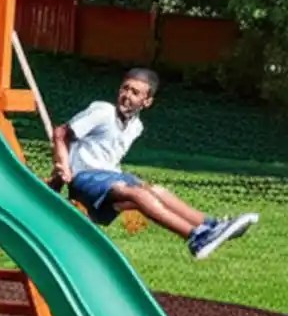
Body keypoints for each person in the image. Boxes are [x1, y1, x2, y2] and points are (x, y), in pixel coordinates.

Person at [50, 67, 258, 259]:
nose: (127, 96)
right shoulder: (103, 112)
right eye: (125, 89)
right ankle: (196, 237)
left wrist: (128, 183)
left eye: (135, 93)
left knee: (154, 190)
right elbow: (61, 134)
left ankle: (212, 225)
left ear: (147, 102)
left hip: (109, 178)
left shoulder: (135, 127)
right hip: (86, 177)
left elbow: (109, 157)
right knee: (137, 193)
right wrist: (64, 169)